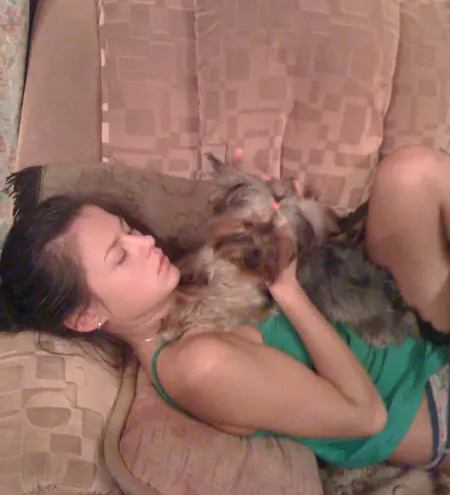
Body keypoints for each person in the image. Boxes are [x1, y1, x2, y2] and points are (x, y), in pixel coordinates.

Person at [0, 145, 450, 471]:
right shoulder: (197, 367)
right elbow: (366, 415)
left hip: (400, 325)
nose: (144, 241)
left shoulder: (180, 283)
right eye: (119, 256)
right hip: (419, 398)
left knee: (409, 173)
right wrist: (285, 288)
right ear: (86, 317)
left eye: (127, 231)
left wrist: (274, 203)